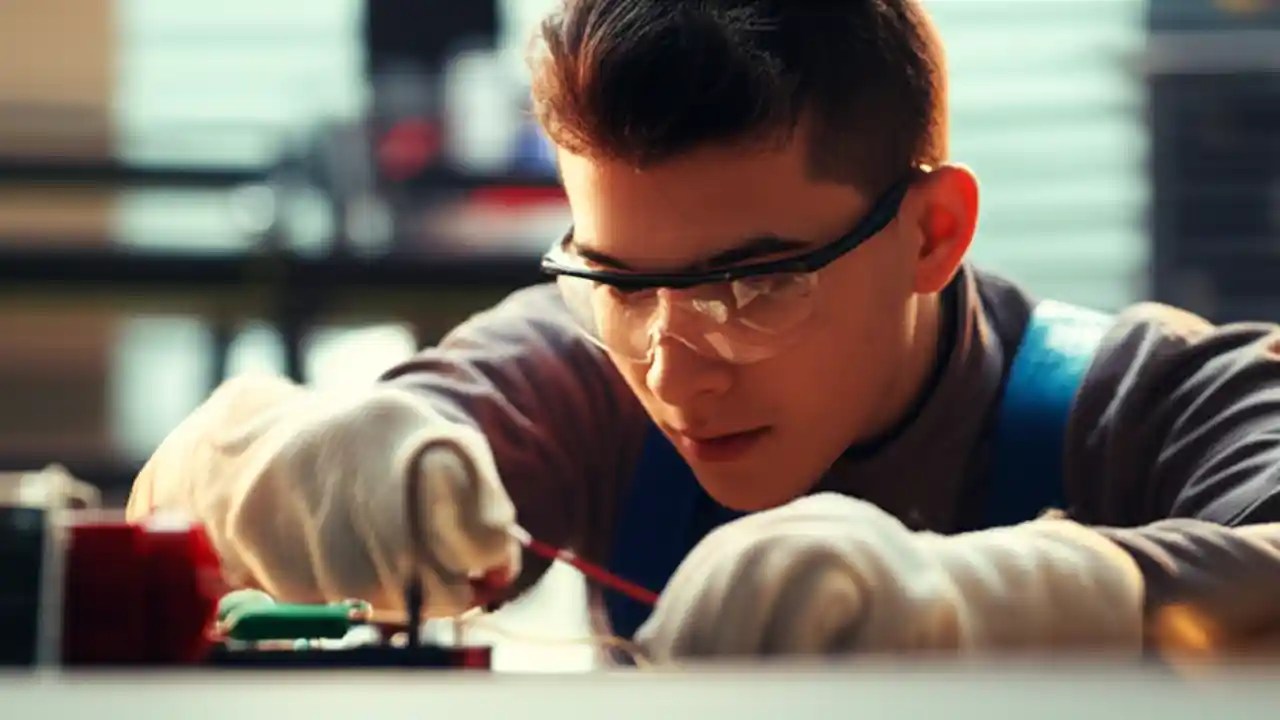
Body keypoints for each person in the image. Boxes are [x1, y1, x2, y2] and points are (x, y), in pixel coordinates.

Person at [127, 0, 1280, 662]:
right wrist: (273, 460)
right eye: (620, 281)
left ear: (933, 234)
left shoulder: (1154, 399)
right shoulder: (580, 372)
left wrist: (979, 599)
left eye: (753, 284)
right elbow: (178, 510)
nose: (670, 372)